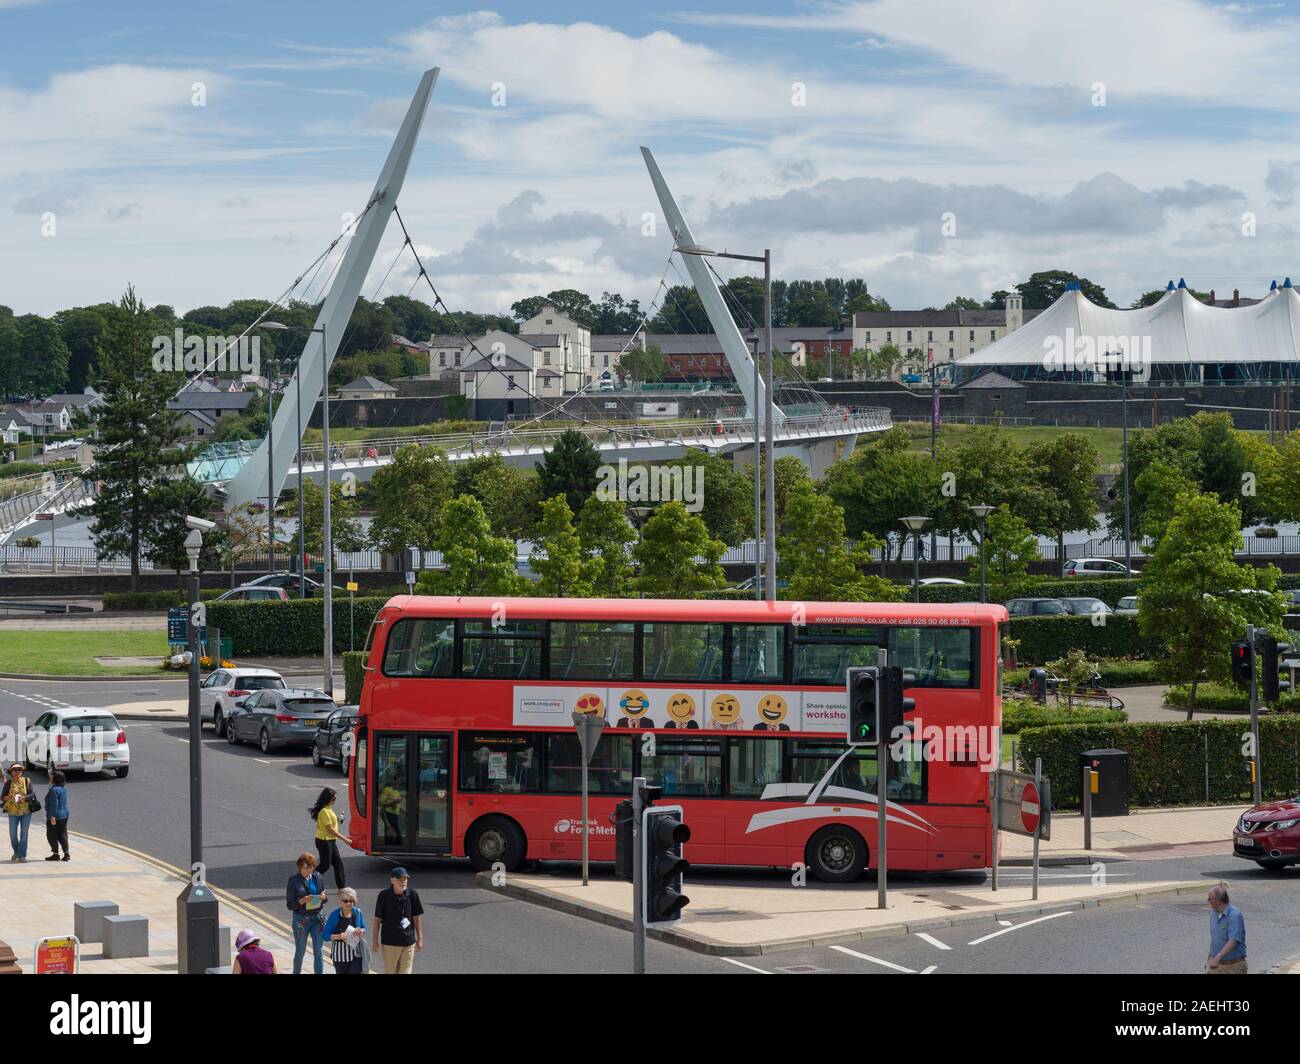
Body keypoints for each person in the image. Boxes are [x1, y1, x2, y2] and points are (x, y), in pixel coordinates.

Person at [372, 866, 423, 974]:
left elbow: (416, 917)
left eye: (405, 879)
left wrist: (420, 939)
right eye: (400, 879)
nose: (403, 882)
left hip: (408, 943)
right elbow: (377, 920)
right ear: (392, 880)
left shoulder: (412, 895)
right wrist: (375, 941)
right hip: (390, 944)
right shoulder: (384, 896)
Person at [285, 852, 328, 975]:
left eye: (311, 867)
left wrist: (323, 897)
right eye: (306, 868)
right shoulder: (293, 881)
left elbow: (325, 897)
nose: (309, 870)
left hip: (317, 918)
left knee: (318, 952)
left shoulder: (317, 877)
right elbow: (290, 905)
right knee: (300, 951)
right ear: (299, 867)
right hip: (301, 921)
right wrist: (302, 900)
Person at [323, 887, 367, 974]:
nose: (348, 903)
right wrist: (339, 936)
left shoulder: (358, 913)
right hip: (340, 956)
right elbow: (325, 935)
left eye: (351, 901)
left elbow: (364, 929)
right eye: (345, 901)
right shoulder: (334, 915)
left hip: (356, 954)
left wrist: (360, 931)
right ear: (340, 902)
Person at [309, 787, 347, 889]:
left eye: (335, 798)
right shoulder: (324, 811)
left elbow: (332, 821)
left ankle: (342, 888)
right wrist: (345, 839)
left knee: (338, 863)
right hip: (324, 841)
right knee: (325, 865)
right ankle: (307, 880)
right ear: (328, 798)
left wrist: (339, 819)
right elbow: (330, 829)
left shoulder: (328, 809)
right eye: (333, 798)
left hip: (330, 840)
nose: (335, 800)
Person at [1205, 884, 1247, 974]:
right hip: (1216, 965)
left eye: (1210, 899)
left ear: (1218, 901)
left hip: (1233, 967)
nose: (1208, 901)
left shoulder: (1234, 916)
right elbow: (1215, 939)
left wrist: (1217, 958)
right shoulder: (1214, 914)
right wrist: (1209, 958)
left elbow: (1233, 941)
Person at [2, 762, 33, 862]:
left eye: (19, 770)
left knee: (24, 835)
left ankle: (22, 855)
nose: (17, 771)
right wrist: (8, 797)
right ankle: (17, 852)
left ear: (22, 771)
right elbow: (2, 797)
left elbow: (33, 794)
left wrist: (24, 797)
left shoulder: (27, 781)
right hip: (13, 812)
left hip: (26, 812)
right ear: (11, 772)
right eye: (15, 770)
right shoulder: (8, 783)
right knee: (13, 836)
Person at [44, 770, 69, 862]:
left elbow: (54, 804)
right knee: (63, 834)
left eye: (51, 776)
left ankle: (55, 854)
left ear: (55, 778)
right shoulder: (63, 788)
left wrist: (52, 817)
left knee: (51, 835)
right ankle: (66, 854)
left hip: (55, 817)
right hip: (64, 815)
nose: (50, 778)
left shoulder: (54, 790)